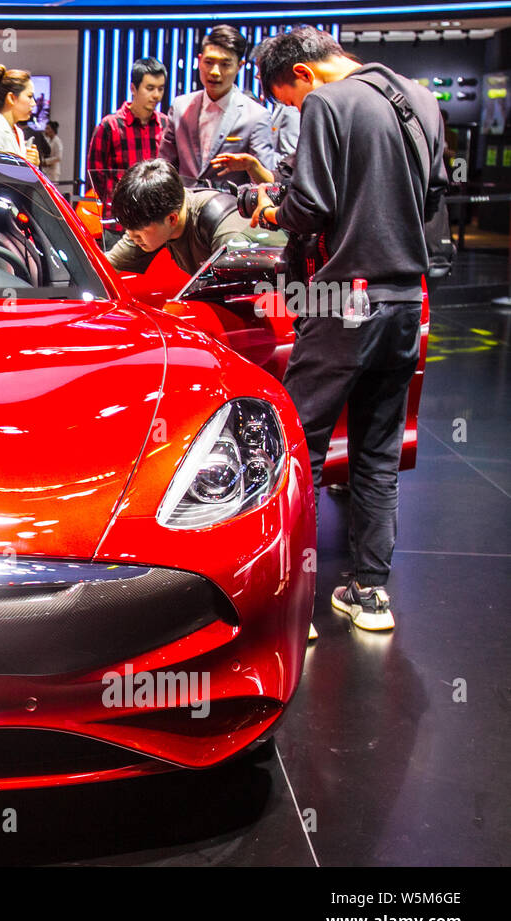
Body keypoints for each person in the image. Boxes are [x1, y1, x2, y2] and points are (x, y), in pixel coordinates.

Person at [250, 27, 446, 631]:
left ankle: (297, 603)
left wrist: (269, 207)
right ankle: (369, 594)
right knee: (378, 451)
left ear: (303, 75)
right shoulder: (421, 96)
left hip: (344, 298)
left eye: (287, 98)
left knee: (300, 449)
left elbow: (308, 207)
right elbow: (435, 191)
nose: (293, 109)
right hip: (406, 297)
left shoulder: (328, 104)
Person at [105, 158, 280, 275]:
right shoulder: (154, 216)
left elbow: (251, 287)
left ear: (172, 219)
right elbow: (107, 267)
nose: (132, 237)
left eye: (138, 232)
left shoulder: (224, 228)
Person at [159, 24, 276, 190]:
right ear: (199, 61)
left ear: (239, 66)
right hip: (183, 209)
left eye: (225, 64)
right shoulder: (180, 107)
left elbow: (265, 182)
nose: (215, 71)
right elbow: (164, 166)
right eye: (209, 62)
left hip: (230, 211)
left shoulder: (256, 116)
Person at [87, 57, 167, 249]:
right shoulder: (110, 126)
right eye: (150, 88)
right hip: (118, 224)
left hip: (156, 224)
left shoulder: (166, 125)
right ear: (133, 88)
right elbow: (95, 175)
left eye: (161, 88)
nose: (156, 95)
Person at [0, 64, 41, 165]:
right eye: (29, 96)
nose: (33, 103)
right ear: (11, 98)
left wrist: (32, 165)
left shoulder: (17, 132)